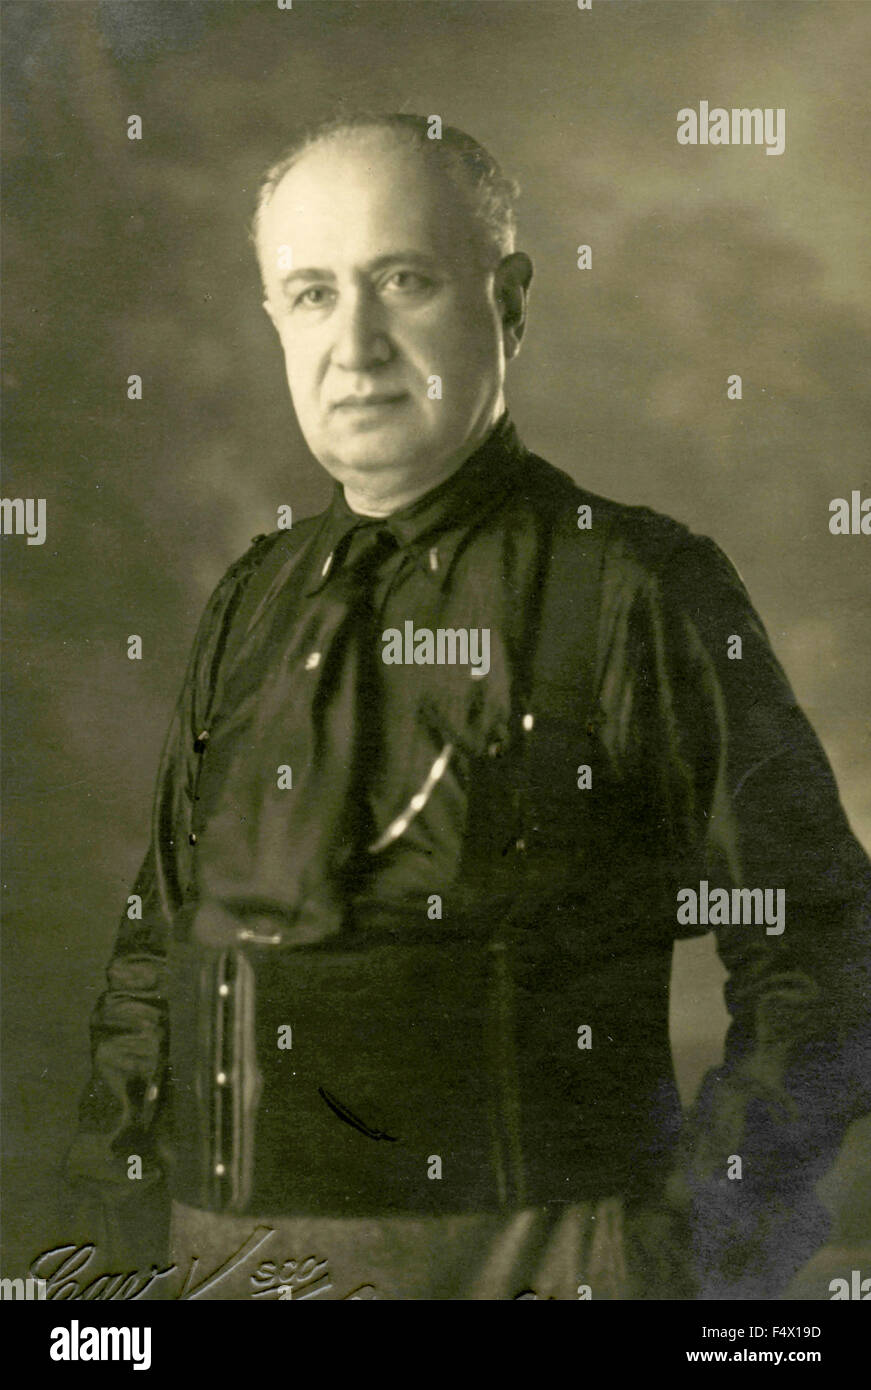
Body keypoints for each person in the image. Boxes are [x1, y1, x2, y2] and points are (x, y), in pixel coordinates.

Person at [64, 114, 871, 1300]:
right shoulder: (252, 599)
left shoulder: (634, 584)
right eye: (311, 293)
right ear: (276, 322)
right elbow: (156, 956)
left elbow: (825, 945)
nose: (358, 343)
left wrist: (689, 1256)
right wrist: (112, 1253)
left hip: (535, 1264)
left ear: (510, 300)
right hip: (217, 1265)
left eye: (403, 280)